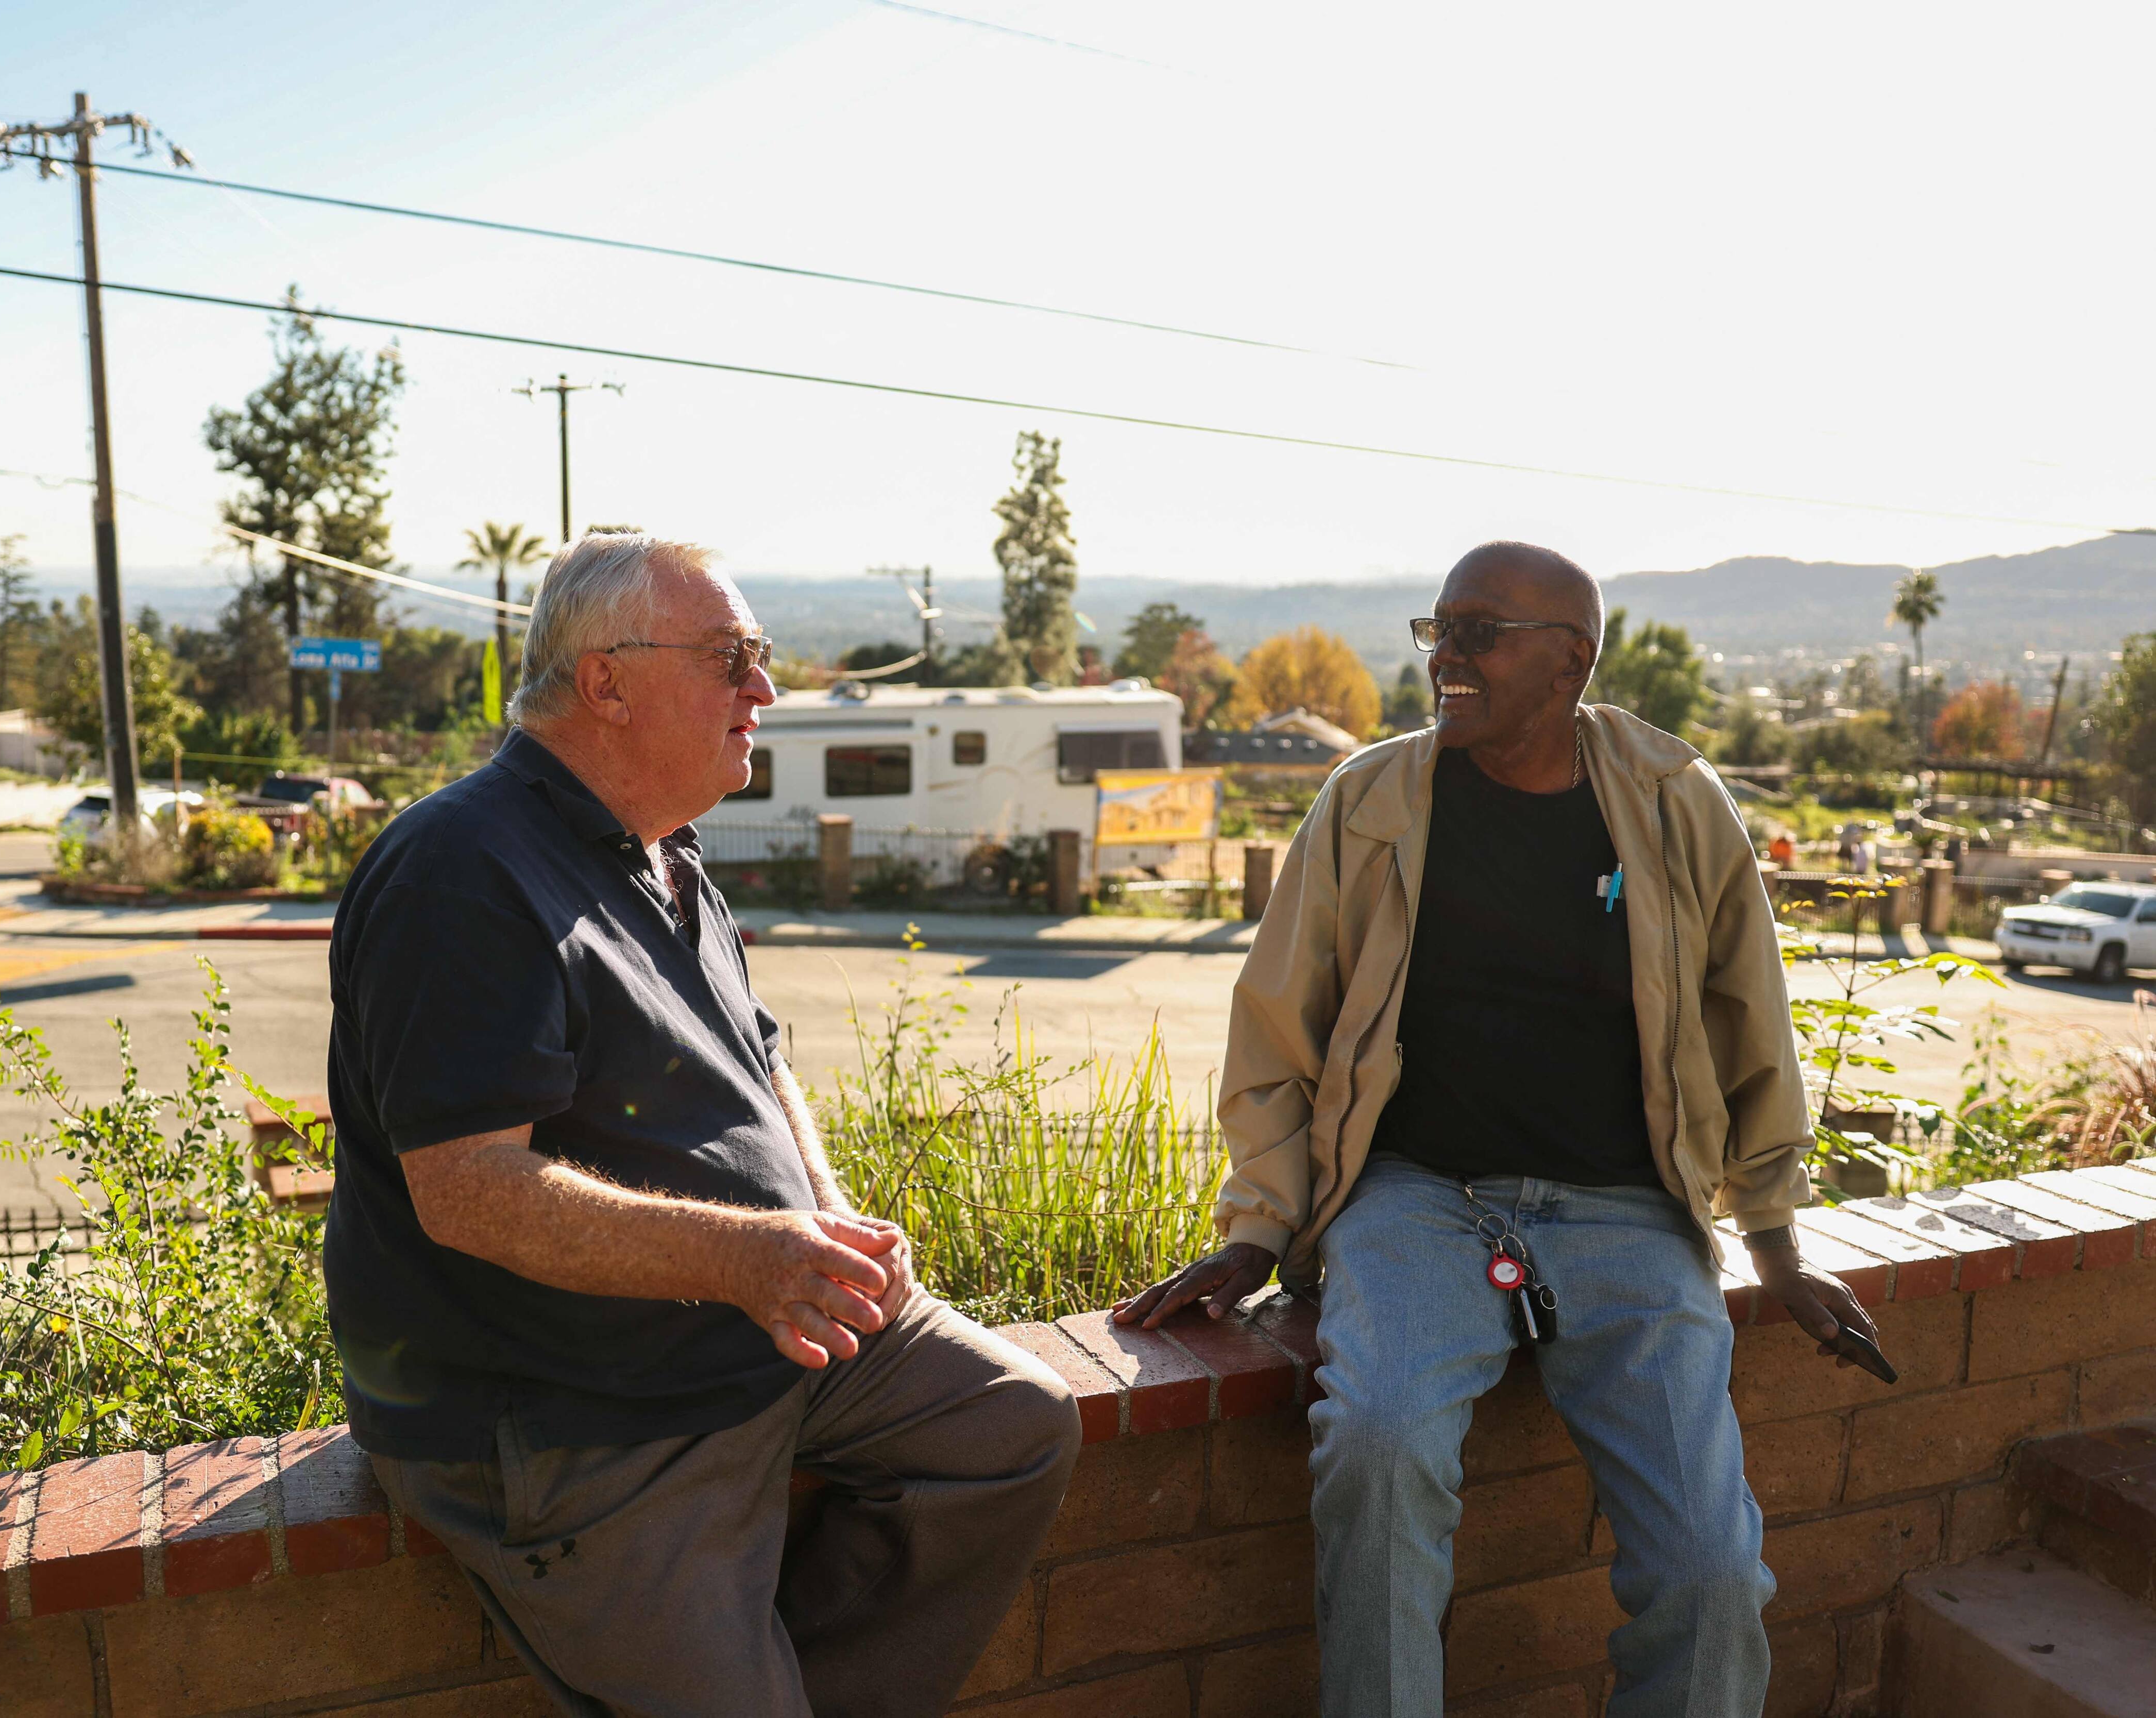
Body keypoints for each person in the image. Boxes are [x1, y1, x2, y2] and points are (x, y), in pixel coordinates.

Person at [324, 533, 1080, 1718]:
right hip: (578, 1414)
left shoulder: (665, 852)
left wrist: (818, 1214)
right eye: (731, 657)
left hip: (752, 1339)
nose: (763, 690)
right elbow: (467, 1188)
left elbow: (761, 1060)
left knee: (1013, 1427)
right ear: (605, 681)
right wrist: (750, 1257)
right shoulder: (461, 870)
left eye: (760, 656)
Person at [1117, 542, 1876, 1718]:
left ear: (1571, 659)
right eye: (1440, 630)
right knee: (1374, 1447)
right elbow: (1277, 1026)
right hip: (1417, 1199)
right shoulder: (1370, 800)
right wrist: (1257, 1231)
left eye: (1480, 632)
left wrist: (1773, 1240)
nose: (1446, 658)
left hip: (1630, 1214)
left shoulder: (1674, 801)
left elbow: (1749, 1023)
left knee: (1713, 1562)